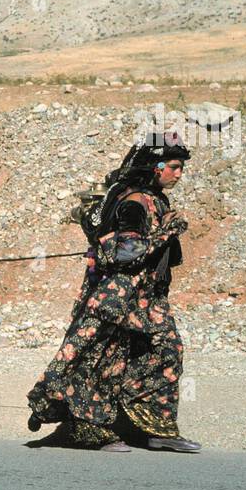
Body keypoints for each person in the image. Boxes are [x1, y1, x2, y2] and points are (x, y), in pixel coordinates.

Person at [26, 132, 201, 452]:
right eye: (174, 167)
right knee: (100, 355)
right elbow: (123, 251)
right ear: (155, 166)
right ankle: (88, 429)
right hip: (117, 296)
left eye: (180, 168)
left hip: (148, 297)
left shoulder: (155, 199)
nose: (179, 174)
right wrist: (167, 232)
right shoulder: (133, 202)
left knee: (166, 351)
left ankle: (153, 426)